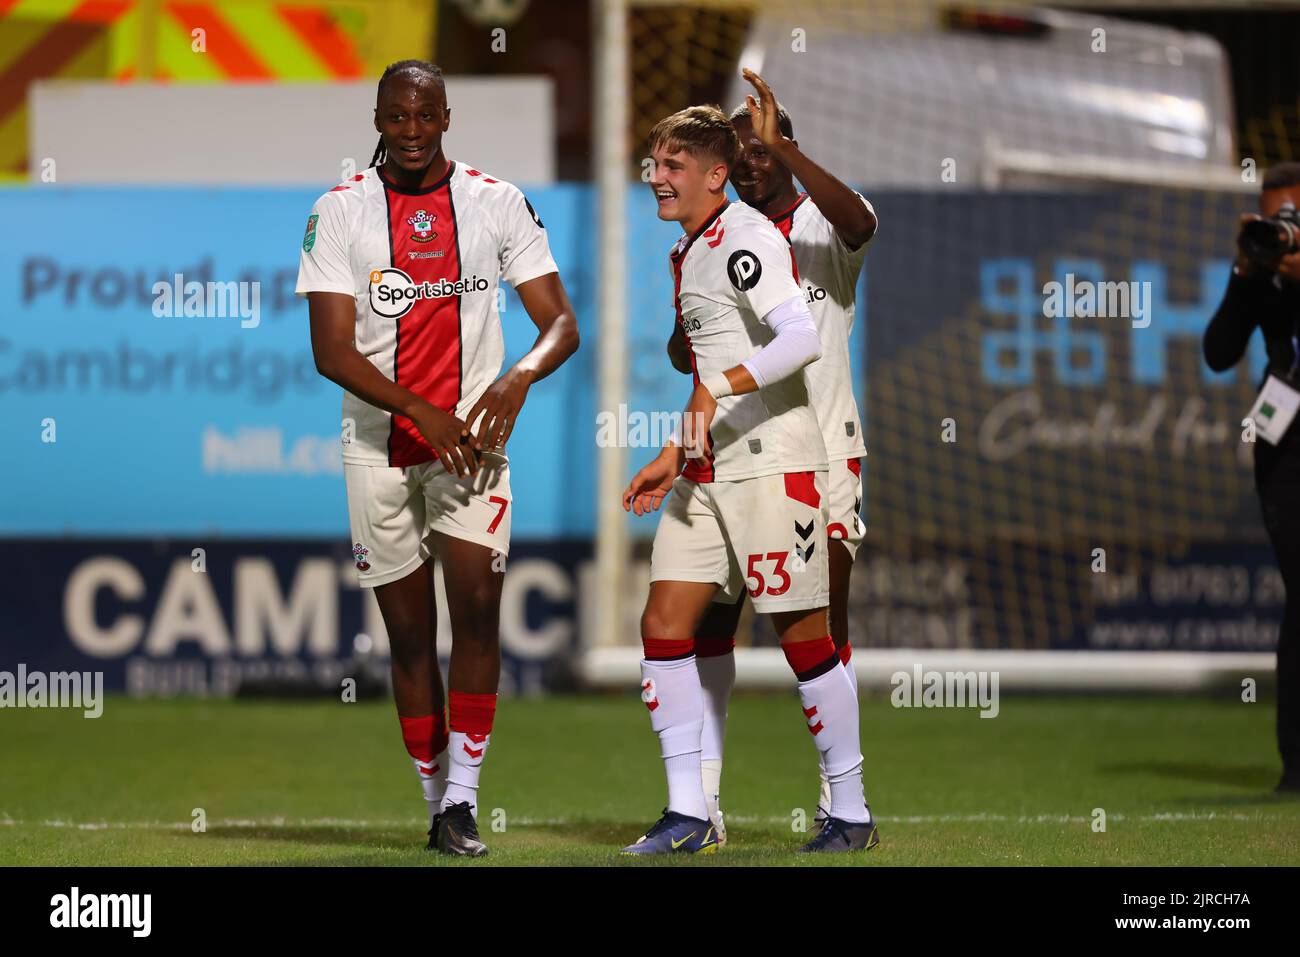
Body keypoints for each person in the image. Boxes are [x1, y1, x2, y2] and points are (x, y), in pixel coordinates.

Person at [295, 59, 579, 855]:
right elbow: (330, 351)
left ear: (446, 117)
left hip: (472, 452)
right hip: (379, 451)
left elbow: (561, 323)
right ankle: (433, 801)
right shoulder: (339, 211)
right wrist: (421, 408)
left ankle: (463, 800)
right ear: (378, 119)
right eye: (396, 117)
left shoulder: (497, 202)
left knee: (479, 613)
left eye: (425, 116)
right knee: (410, 637)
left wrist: (520, 374)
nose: (411, 131)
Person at [621, 103, 876, 854]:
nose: (657, 178)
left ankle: (850, 808)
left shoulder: (753, 239)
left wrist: (720, 384)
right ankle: (689, 810)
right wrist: (677, 449)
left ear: (714, 174)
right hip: (709, 464)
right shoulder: (689, 251)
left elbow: (798, 338)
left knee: (807, 637)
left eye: (672, 167)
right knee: (666, 623)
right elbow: (701, 371)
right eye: (655, 164)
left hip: (781, 459)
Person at [1204, 161, 1300, 794]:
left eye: (1292, 219)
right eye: (1273, 220)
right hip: (1285, 435)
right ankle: (1295, 764)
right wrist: (1245, 272)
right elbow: (1218, 353)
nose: (1282, 231)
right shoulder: (1260, 278)